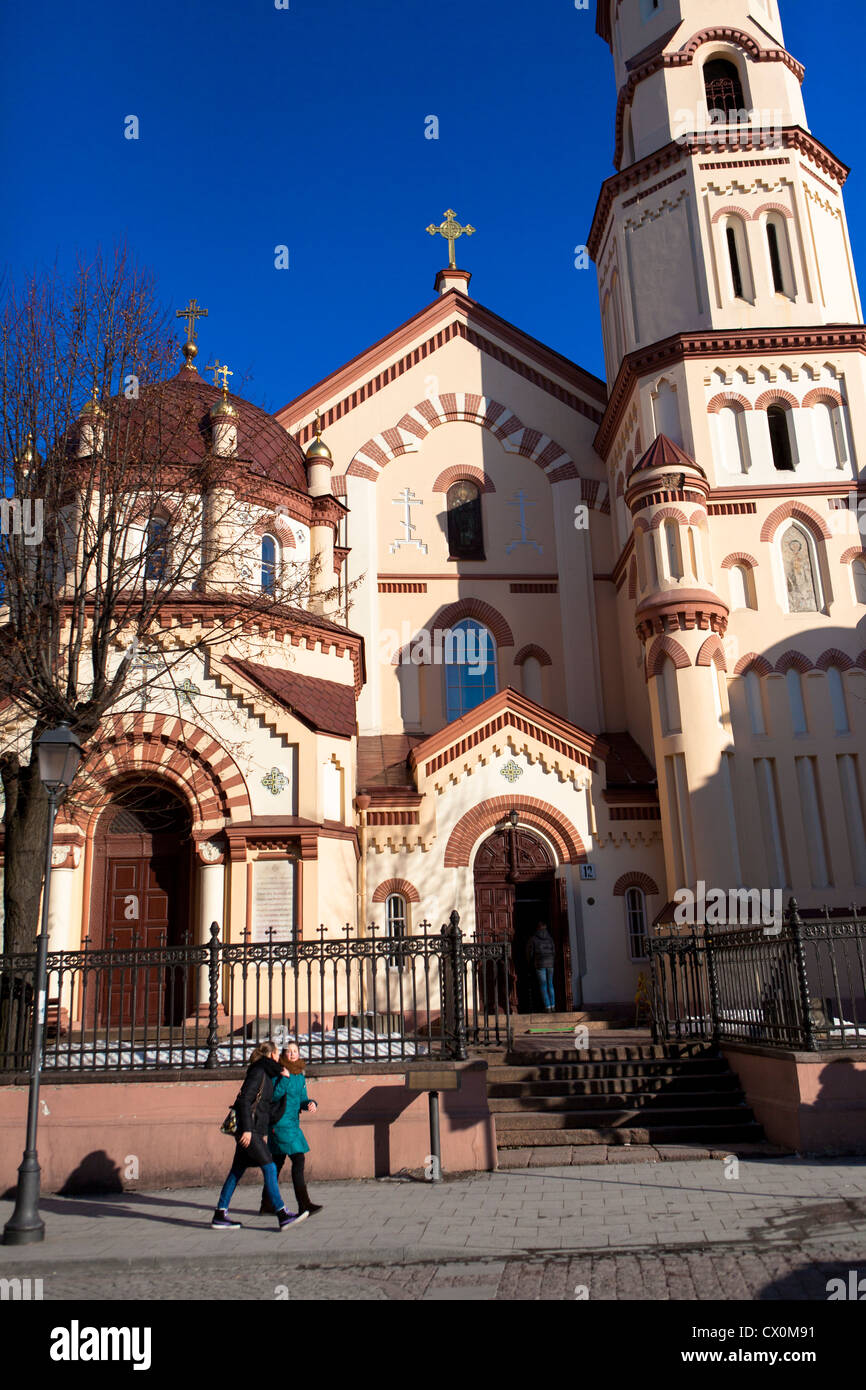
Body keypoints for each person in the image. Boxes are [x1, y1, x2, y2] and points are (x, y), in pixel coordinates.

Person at [211, 1040, 297, 1231]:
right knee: (270, 1167)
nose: (280, 1057)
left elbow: (267, 1105)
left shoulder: (265, 1072)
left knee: (237, 1170)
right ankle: (282, 1213)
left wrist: (284, 1079)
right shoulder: (258, 1071)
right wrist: (248, 1130)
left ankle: (220, 1213)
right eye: (278, 1054)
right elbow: (244, 1101)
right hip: (249, 1130)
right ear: (272, 1055)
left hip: (253, 1129)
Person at [260, 1042, 322, 1220]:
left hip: (293, 1123)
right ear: (284, 1054)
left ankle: (266, 1203)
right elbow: (273, 1096)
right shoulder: (278, 1072)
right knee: (298, 1158)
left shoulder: (299, 1075)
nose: (293, 1054)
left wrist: (311, 1103)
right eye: (289, 1051)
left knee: (276, 1164)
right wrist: (284, 1078)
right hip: (280, 1123)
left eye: (295, 1051)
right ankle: (304, 1203)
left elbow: (302, 1098)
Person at [526, 922, 556, 1012]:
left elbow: (530, 953)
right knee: (550, 984)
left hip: (540, 964)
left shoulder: (533, 939)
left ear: (537, 928)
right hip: (550, 964)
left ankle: (547, 1007)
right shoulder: (550, 939)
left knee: (543, 985)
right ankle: (553, 1006)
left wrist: (530, 962)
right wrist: (552, 961)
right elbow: (554, 951)